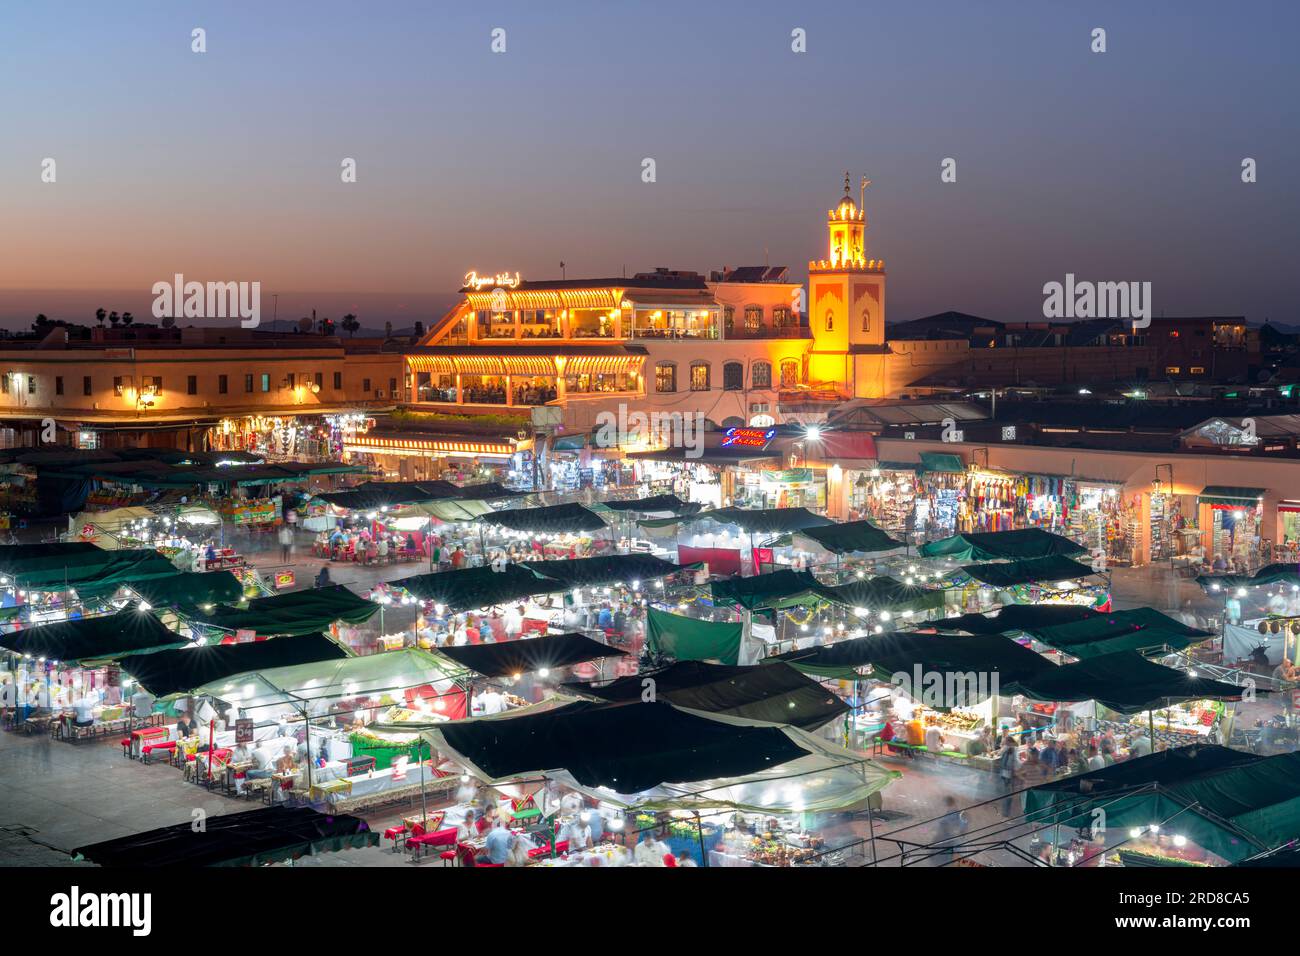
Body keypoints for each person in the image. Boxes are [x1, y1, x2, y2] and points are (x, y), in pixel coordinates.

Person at [934, 795, 969, 863]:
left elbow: (959, 826)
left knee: (955, 854)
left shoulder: (955, 814)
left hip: (953, 838)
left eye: (944, 804)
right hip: (954, 838)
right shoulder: (959, 813)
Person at [998, 735, 1018, 817]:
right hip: (1008, 776)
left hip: (1005, 775)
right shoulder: (1011, 750)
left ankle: (1006, 813)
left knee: (1007, 795)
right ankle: (1005, 814)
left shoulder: (1009, 749)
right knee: (1008, 795)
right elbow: (1012, 764)